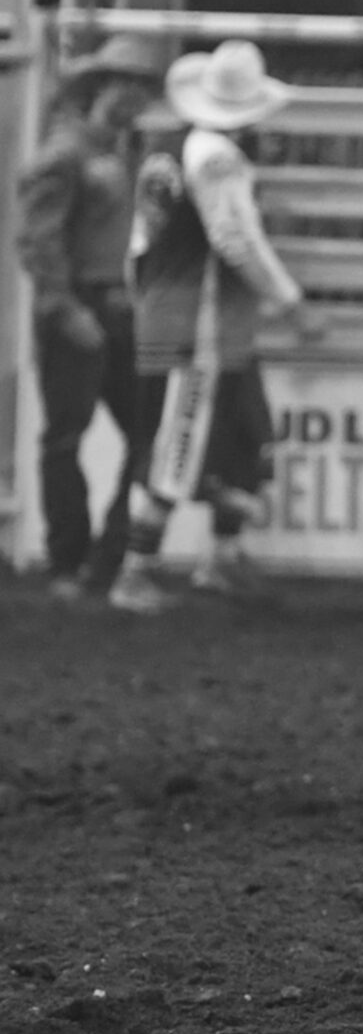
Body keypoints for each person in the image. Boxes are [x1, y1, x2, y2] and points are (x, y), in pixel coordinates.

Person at [109, 41, 327, 613]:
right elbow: (235, 240)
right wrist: (291, 301)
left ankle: (219, 558)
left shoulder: (167, 153)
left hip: (182, 321)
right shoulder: (217, 160)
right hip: (200, 328)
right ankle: (138, 571)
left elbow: (138, 247)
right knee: (180, 443)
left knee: (239, 436)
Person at [16, 32, 166, 598]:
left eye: (140, 87)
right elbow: (37, 239)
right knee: (67, 437)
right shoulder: (66, 155)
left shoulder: (123, 153)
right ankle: (70, 561)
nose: (134, 96)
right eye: (127, 84)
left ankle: (98, 560)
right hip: (83, 302)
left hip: (120, 306)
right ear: (103, 86)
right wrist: (61, 305)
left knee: (141, 433)